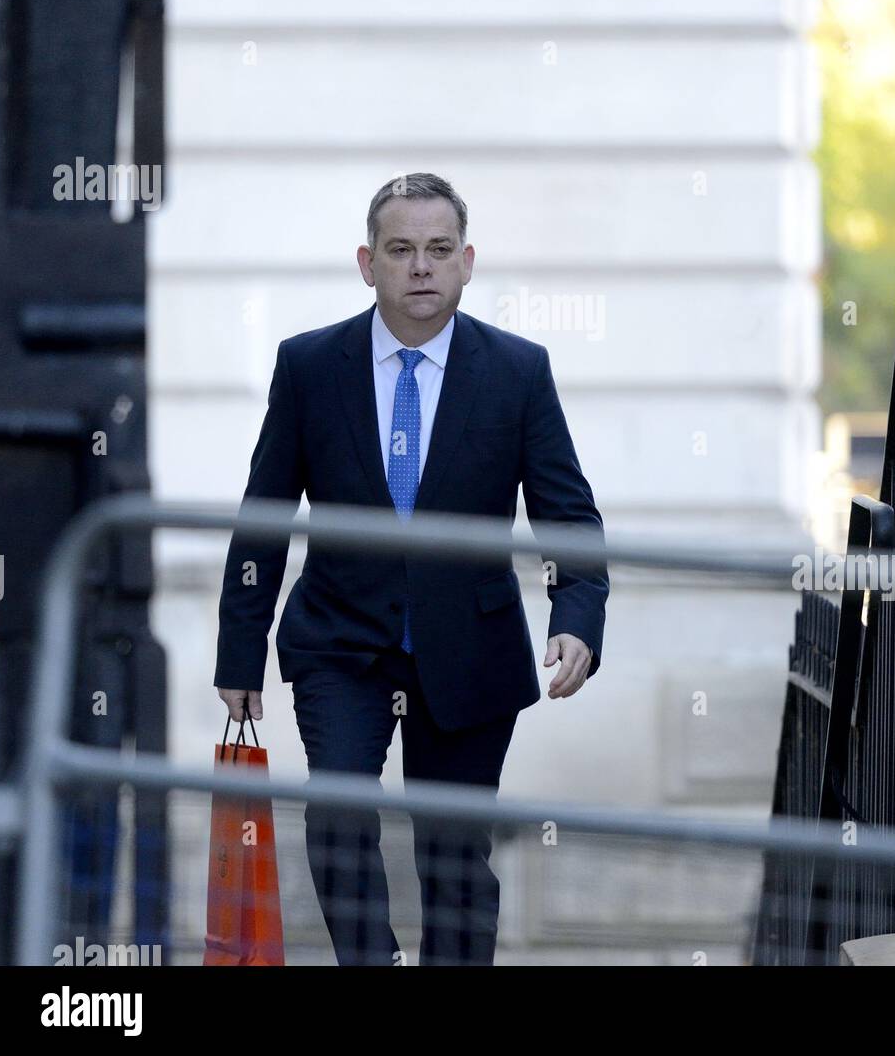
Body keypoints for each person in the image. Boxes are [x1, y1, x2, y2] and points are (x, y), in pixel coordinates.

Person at [213, 171, 609, 965]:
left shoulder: (517, 371)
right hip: (339, 643)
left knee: (455, 856)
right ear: (368, 263)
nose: (420, 268)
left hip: (469, 648)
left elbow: (567, 514)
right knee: (337, 820)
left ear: (466, 261)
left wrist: (575, 619)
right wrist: (239, 650)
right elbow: (263, 516)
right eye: (400, 251)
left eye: (437, 250)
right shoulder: (309, 366)